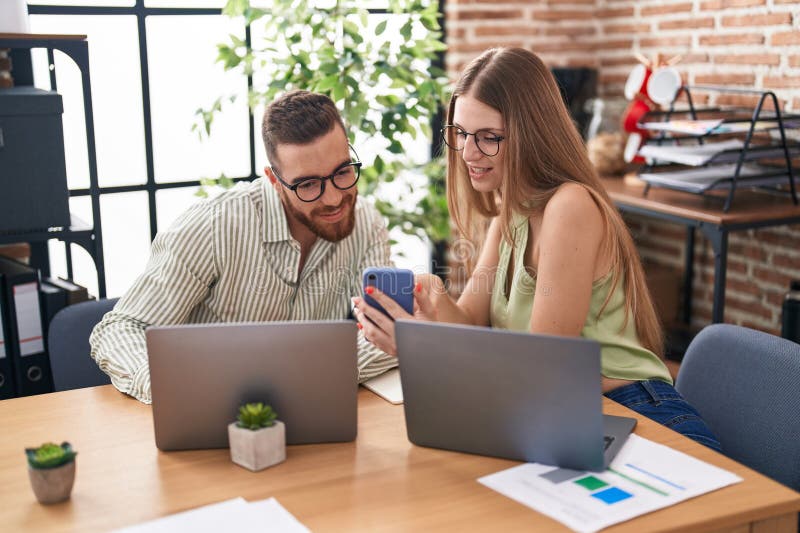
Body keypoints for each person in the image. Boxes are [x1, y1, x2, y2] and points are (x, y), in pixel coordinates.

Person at [353, 47, 722, 452]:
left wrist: (419, 348)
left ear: (532, 133)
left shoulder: (571, 205)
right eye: (460, 133)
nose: (470, 153)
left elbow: (542, 366)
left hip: (637, 413)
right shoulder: (508, 215)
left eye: (489, 138)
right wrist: (431, 301)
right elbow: (471, 323)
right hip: (564, 411)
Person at [91, 90, 396, 404]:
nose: (333, 199)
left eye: (343, 172)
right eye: (308, 185)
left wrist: (299, 378)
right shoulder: (213, 227)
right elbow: (121, 328)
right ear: (274, 180)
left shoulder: (366, 223)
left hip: (312, 414)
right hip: (213, 414)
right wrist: (175, 389)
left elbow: (387, 334)